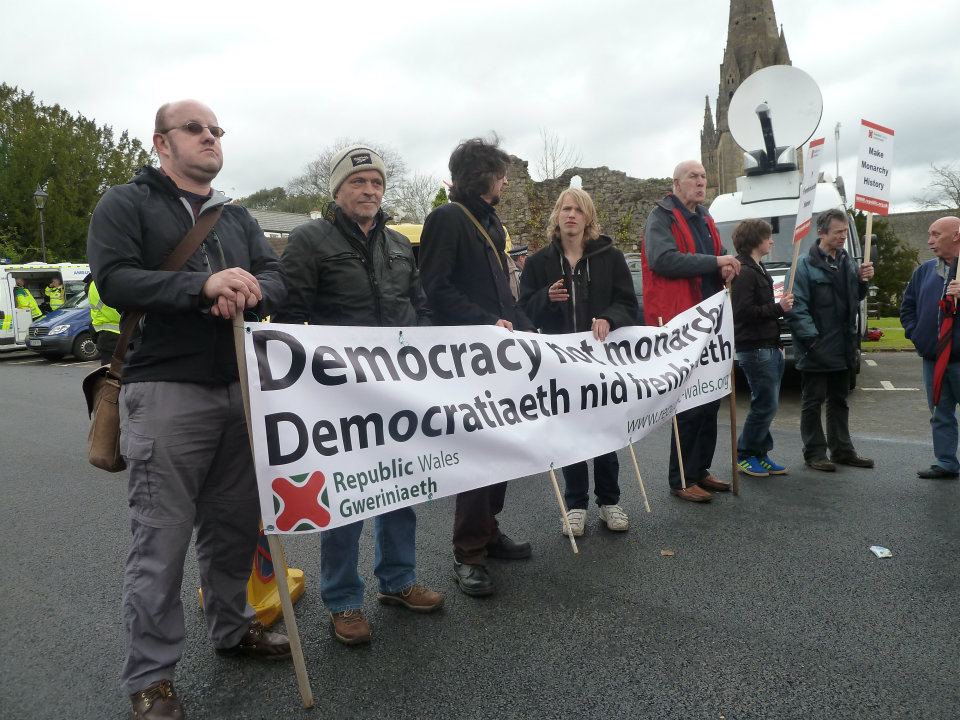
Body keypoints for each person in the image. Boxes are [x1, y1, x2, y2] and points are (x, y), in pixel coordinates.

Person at [88, 99, 290, 720]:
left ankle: (231, 627)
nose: (210, 136)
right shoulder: (125, 203)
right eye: (195, 128)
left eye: (217, 130)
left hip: (240, 387)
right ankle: (150, 678)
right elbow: (114, 279)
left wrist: (252, 290)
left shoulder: (237, 215)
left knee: (234, 527)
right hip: (165, 388)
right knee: (162, 541)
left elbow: (276, 277)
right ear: (161, 142)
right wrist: (200, 286)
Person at [275, 145, 443, 645]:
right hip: (339, 395)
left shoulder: (398, 243)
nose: (369, 190)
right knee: (346, 496)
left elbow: (420, 307)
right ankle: (343, 601)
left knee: (401, 486)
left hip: (398, 390)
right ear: (337, 190)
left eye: (376, 182)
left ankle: (398, 580)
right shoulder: (309, 240)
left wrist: (424, 351)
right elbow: (290, 318)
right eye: (358, 182)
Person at [419, 136, 534, 598]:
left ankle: (488, 529)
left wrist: (530, 330)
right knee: (478, 453)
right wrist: (486, 322)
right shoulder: (447, 219)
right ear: (484, 176)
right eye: (501, 174)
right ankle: (467, 552)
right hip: (468, 357)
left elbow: (503, 293)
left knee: (502, 447)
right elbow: (435, 288)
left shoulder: (490, 221)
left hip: (497, 354)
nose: (505, 181)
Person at [520, 188, 638, 536]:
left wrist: (609, 318)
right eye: (565, 209)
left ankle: (609, 501)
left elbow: (628, 303)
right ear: (556, 216)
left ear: (588, 219)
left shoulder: (610, 257)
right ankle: (575, 505)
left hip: (601, 363)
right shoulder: (539, 263)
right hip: (560, 366)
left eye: (578, 210)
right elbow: (524, 311)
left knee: (605, 431)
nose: (571, 215)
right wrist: (545, 298)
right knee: (569, 434)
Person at [641, 160, 740, 502]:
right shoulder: (661, 217)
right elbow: (663, 259)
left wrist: (727, 266)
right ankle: (680, 478)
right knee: (689, 403)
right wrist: (715, 262)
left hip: (710, 322)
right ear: (676, 184)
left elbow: (718, 255)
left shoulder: (706, 217)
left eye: (703, 177)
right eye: (693, 177)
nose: (700, 182)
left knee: (710, 398)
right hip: (681, 323)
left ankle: (699, 470)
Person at [787, 208, 875, 472]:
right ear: (821, 233)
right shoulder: (803, 265)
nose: (843, 237)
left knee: (839, 400)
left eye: (845, 232)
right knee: (813, 401)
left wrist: (862, 281)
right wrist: (812, 341)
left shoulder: (847, 262)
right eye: (838, 232)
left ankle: (842, 451)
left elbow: (855, 298)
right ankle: (815, 453)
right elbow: (797, 307)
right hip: (815, 347)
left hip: (843, 345)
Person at [730, 219, 793, 477]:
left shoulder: (758, 268)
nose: (772, 241)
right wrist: (778, 308)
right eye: (768, 237)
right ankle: (745, 454)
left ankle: (760, 453)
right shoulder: (745, 272)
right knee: (765, 404)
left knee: (768, 403)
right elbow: (741, 312)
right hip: (755, 347)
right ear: (756, 240)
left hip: (768, 344)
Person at [900, 216, 960, 479]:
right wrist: (917, 335)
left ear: (956, 235)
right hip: (934, 360)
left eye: (936, 235)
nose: (929, 241)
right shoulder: (924, 271)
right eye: (929, 234)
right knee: (940, 412)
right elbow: (907, 306)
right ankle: (945, 462)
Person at [88, 278, 120, 364]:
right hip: (116, 335)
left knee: (109, 369)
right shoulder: (112, 282)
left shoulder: (95, 283)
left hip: (105, 335)